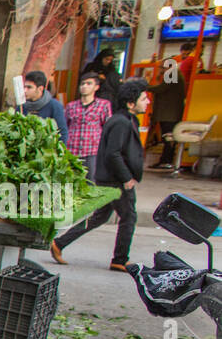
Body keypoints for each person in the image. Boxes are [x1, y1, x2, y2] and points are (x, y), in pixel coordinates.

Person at [50, 78, 149, 273]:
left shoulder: (126, 120)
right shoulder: (121, 122)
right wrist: (126, 178)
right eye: (144, 98)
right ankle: (120, 259)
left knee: (100, 217)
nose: (147, 102)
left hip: (111, 179)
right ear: (131, 103)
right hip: (116, 181)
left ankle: (59, 243)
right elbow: (113, 153)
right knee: (129, 217)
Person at [64, 71, 111, 179]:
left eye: (89, 84)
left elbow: (107, 128)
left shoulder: (103, 105)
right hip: (72, 150)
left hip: (92, 150)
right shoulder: (71, 106)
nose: (84, 86)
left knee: (91, 182)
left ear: (96, 87)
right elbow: (65, 126)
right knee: (70, 181)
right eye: (82, 84)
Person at [150, 57, 188, 168]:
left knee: (168, 137)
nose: (161, 69)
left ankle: (166, 161)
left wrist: (144, 86)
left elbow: (161, 89)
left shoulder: (173, 74)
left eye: (162, 67)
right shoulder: (175, 74)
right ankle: (166, 160)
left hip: (169, 114)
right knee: (168, 137)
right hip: (170, 113)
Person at [20, 70, 68, 142]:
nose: (25, 90)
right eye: (24, 87)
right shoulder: (21, 106)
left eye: (29, 87)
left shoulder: (54, 106)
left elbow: (62, 133)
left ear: (40, 89)